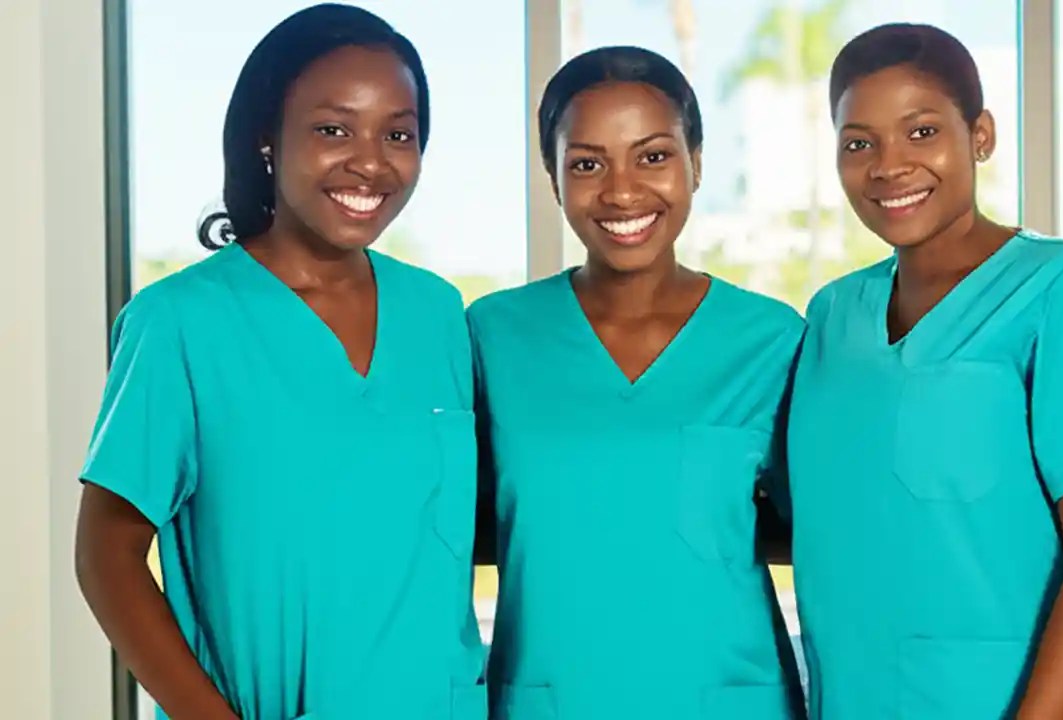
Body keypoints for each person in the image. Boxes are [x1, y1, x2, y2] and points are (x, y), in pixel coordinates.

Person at [74, 5, 486, 719]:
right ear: (267, 136)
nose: (369, 160)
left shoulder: (439, 313)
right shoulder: (179, 322)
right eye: (333, 129)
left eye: (398, 133)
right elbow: (106, 559)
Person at [787, 23, 1063, 720]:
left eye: (922, 132)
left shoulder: (1060, 290)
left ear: (980, 136)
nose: (888, 165)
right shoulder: (833, 316)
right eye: (858, 142)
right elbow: (819, 517)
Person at [467, 46, 806, 720]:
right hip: (549, 698)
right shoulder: (492, 336)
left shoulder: (772, 339)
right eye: (587, 164)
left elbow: (825, 528)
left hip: (732, 700)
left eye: (652, 155)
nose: (621, 191)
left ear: (697, 163)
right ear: (553, 176)